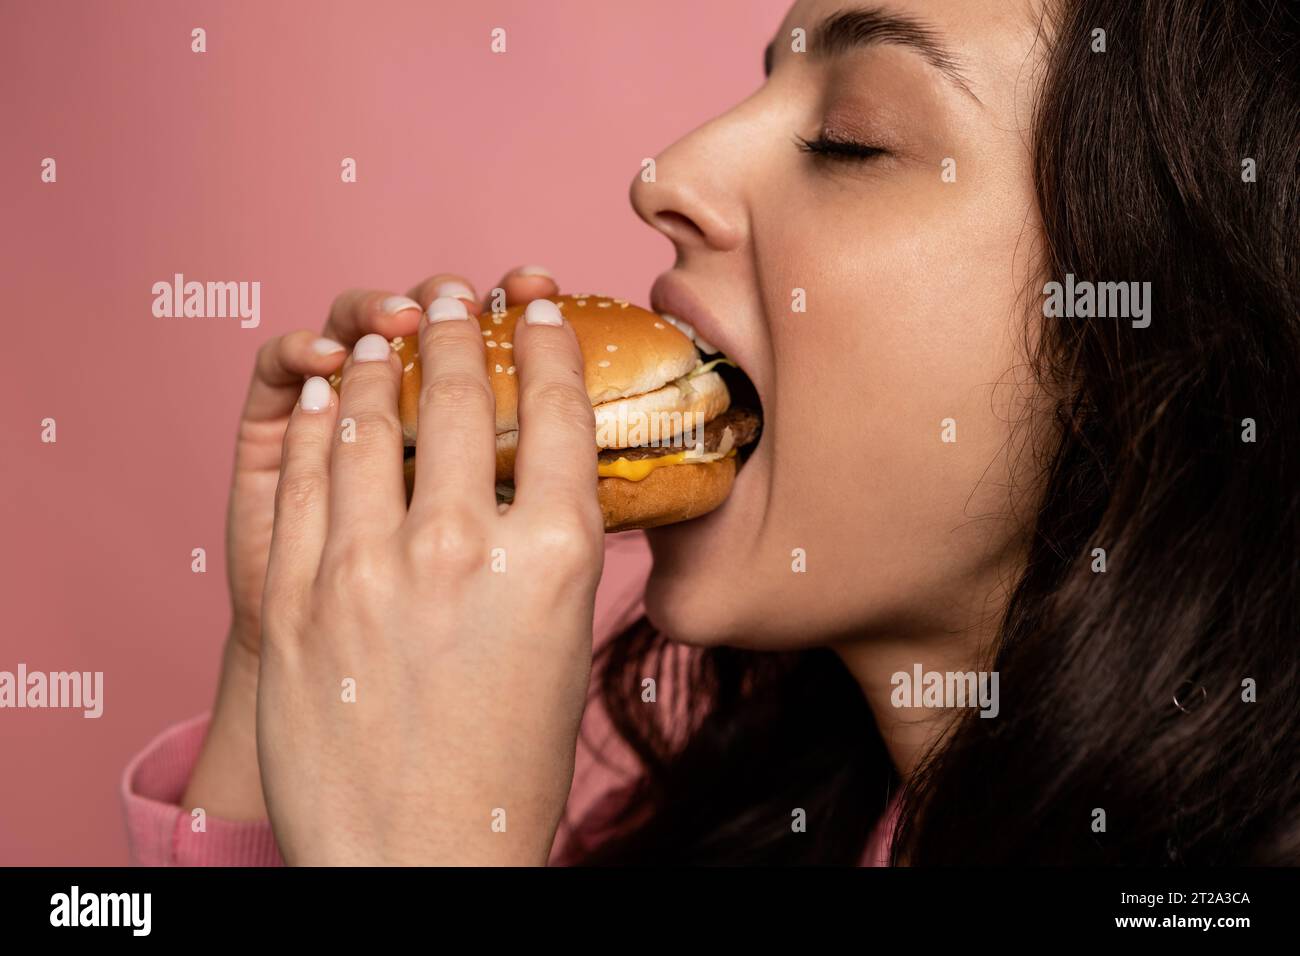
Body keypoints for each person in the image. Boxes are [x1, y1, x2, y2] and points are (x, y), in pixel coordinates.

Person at [123, 0, 1300, 865]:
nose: (668, 171)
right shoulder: (718, 829)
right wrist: (283, 665)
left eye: (851, 137)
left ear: (1154, 330)